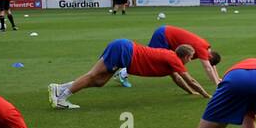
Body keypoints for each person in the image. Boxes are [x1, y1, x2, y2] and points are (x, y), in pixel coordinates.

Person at [48, 39, 210, 108]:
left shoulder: (171, 59)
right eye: (191, 57)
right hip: (124, 50)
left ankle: (59, 88)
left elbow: (177, 78)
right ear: (186, 56)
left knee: (100, 81)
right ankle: (61, 98)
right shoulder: (174, 59)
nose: (191, 60)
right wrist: (205, 95)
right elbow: (190, 79)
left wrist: (191, 92)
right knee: (93, 76)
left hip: (124, 50)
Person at [144, 25, 223, 86]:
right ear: (210, 57)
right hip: (163, 34)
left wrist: (217, 78)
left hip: (166, 34)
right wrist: (216, 83)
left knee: (150, 54)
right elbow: (208, 67)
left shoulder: (208, 49)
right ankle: (132, 55)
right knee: (150, 57)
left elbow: (211, 65)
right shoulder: (202, 49)